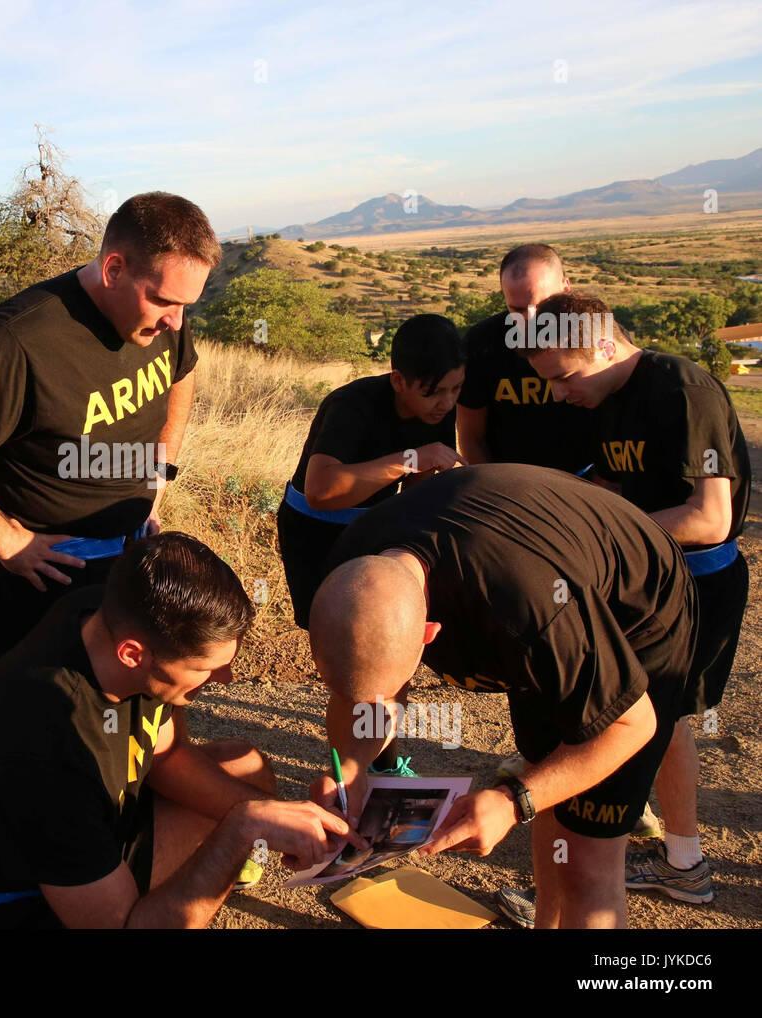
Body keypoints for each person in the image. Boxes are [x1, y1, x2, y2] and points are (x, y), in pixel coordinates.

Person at [307, 464, 698, 928]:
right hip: (542, 574)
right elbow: (366, 694)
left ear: (430, 634)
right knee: (551, 785)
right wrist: (350, 773)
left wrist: (514, 802)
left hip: (639, 609)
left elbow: (631, 725)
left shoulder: (525, 613)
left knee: (587, 859)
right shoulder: (352, 570)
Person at [0, 532, 360, 928]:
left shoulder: (100, 615)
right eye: (206, 667)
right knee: (233, 827)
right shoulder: (45, 747)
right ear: (133, 654)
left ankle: (211, 872)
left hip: (83, 838)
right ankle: (204, 880)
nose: (224, 680)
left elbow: (164, 755)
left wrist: (283, 818)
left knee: (247, 769)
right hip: (8, 908)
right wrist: (242, 831)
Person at [0, 192, 220, 660]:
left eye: (186, 305)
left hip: (135, 555)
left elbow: (182, 372)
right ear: (114, 269)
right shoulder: (22, 338)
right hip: (51, 573)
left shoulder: (164, 320)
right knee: (44, 710)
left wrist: (159, 476)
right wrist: (8, 542)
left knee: (123, 700)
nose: (176, 320)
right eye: (165, 302)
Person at [524, 292, 749, 907]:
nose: (558, 393)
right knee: (658, 718)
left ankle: (601, 876)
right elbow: (613, 485)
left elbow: (709, 518)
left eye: (564, 378)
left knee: (639, 720)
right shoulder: (607, 397)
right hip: (648, 580)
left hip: (697, 584)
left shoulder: (683, 389)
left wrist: (596, 540)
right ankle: (680, 861)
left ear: (601, 344)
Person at [277, 312, 465, 631]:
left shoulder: (439, 409)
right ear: (398, 381)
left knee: (380, 621)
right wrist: (410, 459)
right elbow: (320, 492)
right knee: (333, 629)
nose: (446, 403)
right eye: (433, 392)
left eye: (456, 388)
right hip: (313, 532)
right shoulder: (351, 405)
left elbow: (415, 493)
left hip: (376, 524)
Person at [457, 244, 592, 472]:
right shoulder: (482, 343)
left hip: (587, 479)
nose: (531, 321)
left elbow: (620, 424)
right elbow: (471, 437)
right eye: (517, 309)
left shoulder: (595, 332)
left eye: (541, 306)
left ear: (566, 288)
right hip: (510, 484)